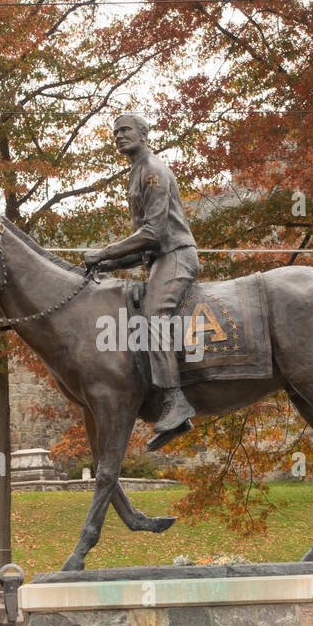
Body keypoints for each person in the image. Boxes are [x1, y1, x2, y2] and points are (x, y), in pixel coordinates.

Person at [84, 114, 200, 449]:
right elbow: (144, 245)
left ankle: (175, 400)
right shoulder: (136, 173)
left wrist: (104, 252)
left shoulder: (153, 170)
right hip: (159, 258)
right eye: (115, 132)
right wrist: (103, 263)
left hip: (176, 256)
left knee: (153, 318)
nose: (118, 136)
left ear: (144, 135)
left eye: (125, 130)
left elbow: (154, 233)